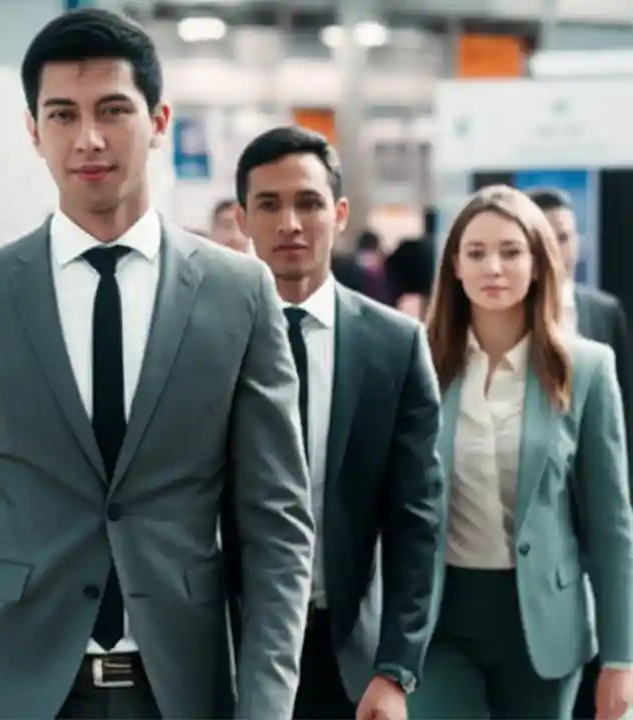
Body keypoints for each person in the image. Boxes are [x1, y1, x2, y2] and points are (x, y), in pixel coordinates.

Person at [0, 9, 315, 719]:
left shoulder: (239, 292)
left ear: (158, 121)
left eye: (113, 110)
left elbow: (276, 529)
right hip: (7, 687)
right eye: (62, 115)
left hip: (180, 689)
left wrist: (267, 707)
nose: (88, 138)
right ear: (34, 130)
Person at [235, 126, 445, 719]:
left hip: (347, 651)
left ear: (340, 213)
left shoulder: (395, 345)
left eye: (308, 202)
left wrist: (396, 668)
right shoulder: (205, 338)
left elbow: (417, 519)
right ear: (243, 219)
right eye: (269, 205)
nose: (290, 224)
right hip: (231, 645)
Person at [409, 185, 633, 720]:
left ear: (537, 264)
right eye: (476, 252)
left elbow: (611, 526)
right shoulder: (417, 363)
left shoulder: (587, 369)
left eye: (511, 251)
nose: (493, 267)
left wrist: (621, 658)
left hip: (545, 627)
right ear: (455, 266)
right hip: (437, 621)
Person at [528, 187, 633, 720]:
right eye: (545, 237)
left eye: (564, 236)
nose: (557, 247)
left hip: (594, 492)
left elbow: (622, 413)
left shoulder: (601, 311)